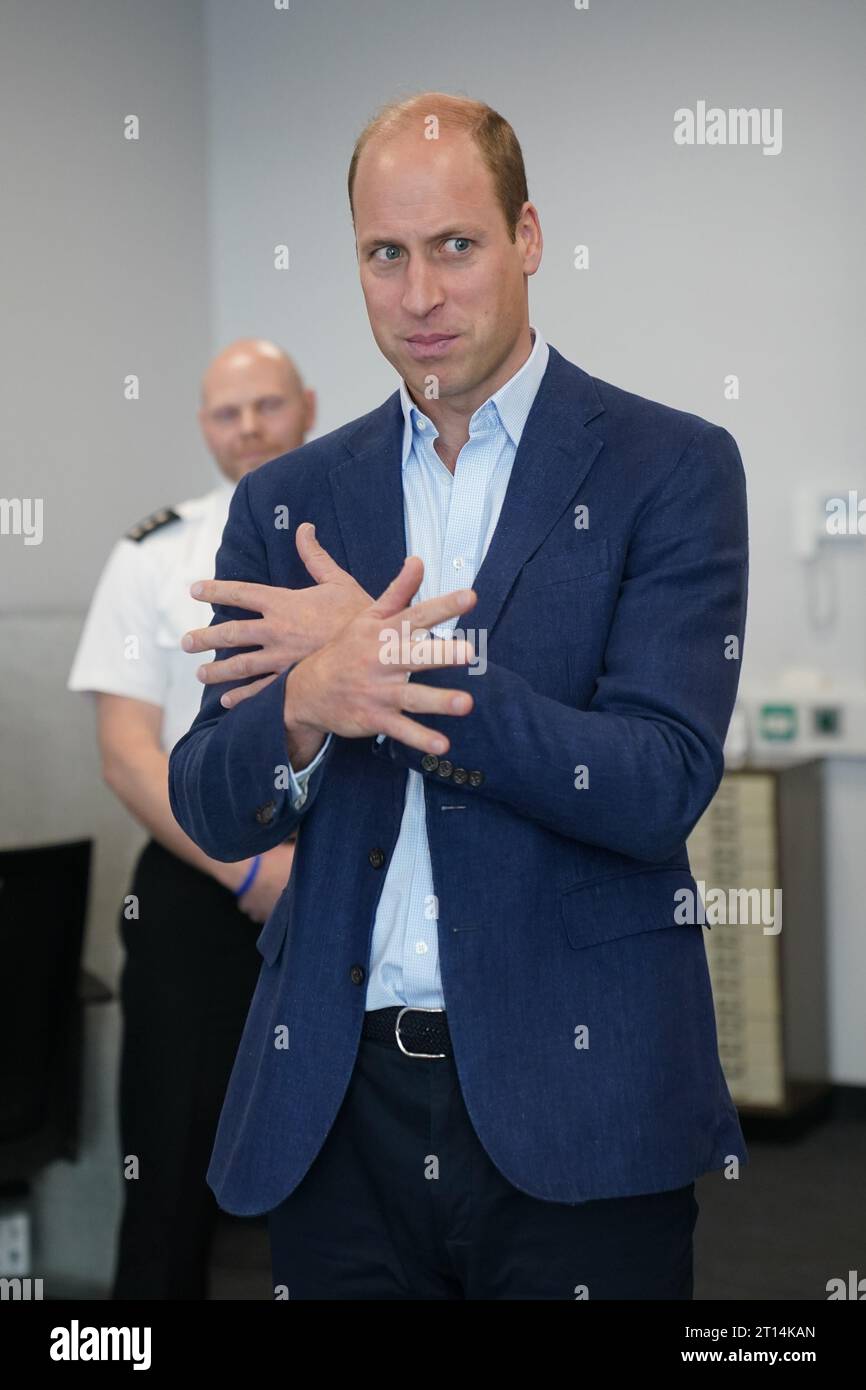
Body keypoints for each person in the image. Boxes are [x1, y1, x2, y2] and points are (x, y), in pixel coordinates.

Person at [169, 93, 750, 1301]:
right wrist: (303, 708)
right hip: (334, 1112)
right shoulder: (289, 501)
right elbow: (210, 798)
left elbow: (652, 784)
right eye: (386, 254)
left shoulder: (669, 469)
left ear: (526, 237)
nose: (420, 295)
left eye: (455, 247)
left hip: (576, 1111)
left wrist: (391, 664)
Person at [68, 339, 316, 1299]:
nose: (249, 427)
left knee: (370, 1161)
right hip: (199, 871)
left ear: (307, 404)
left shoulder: (378, 530)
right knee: (169, 1162)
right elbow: (127, 752)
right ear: (205, 427)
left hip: (353, 866)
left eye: (267, 404)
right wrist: (248, 875)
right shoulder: (158, 552)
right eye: (226, 412)